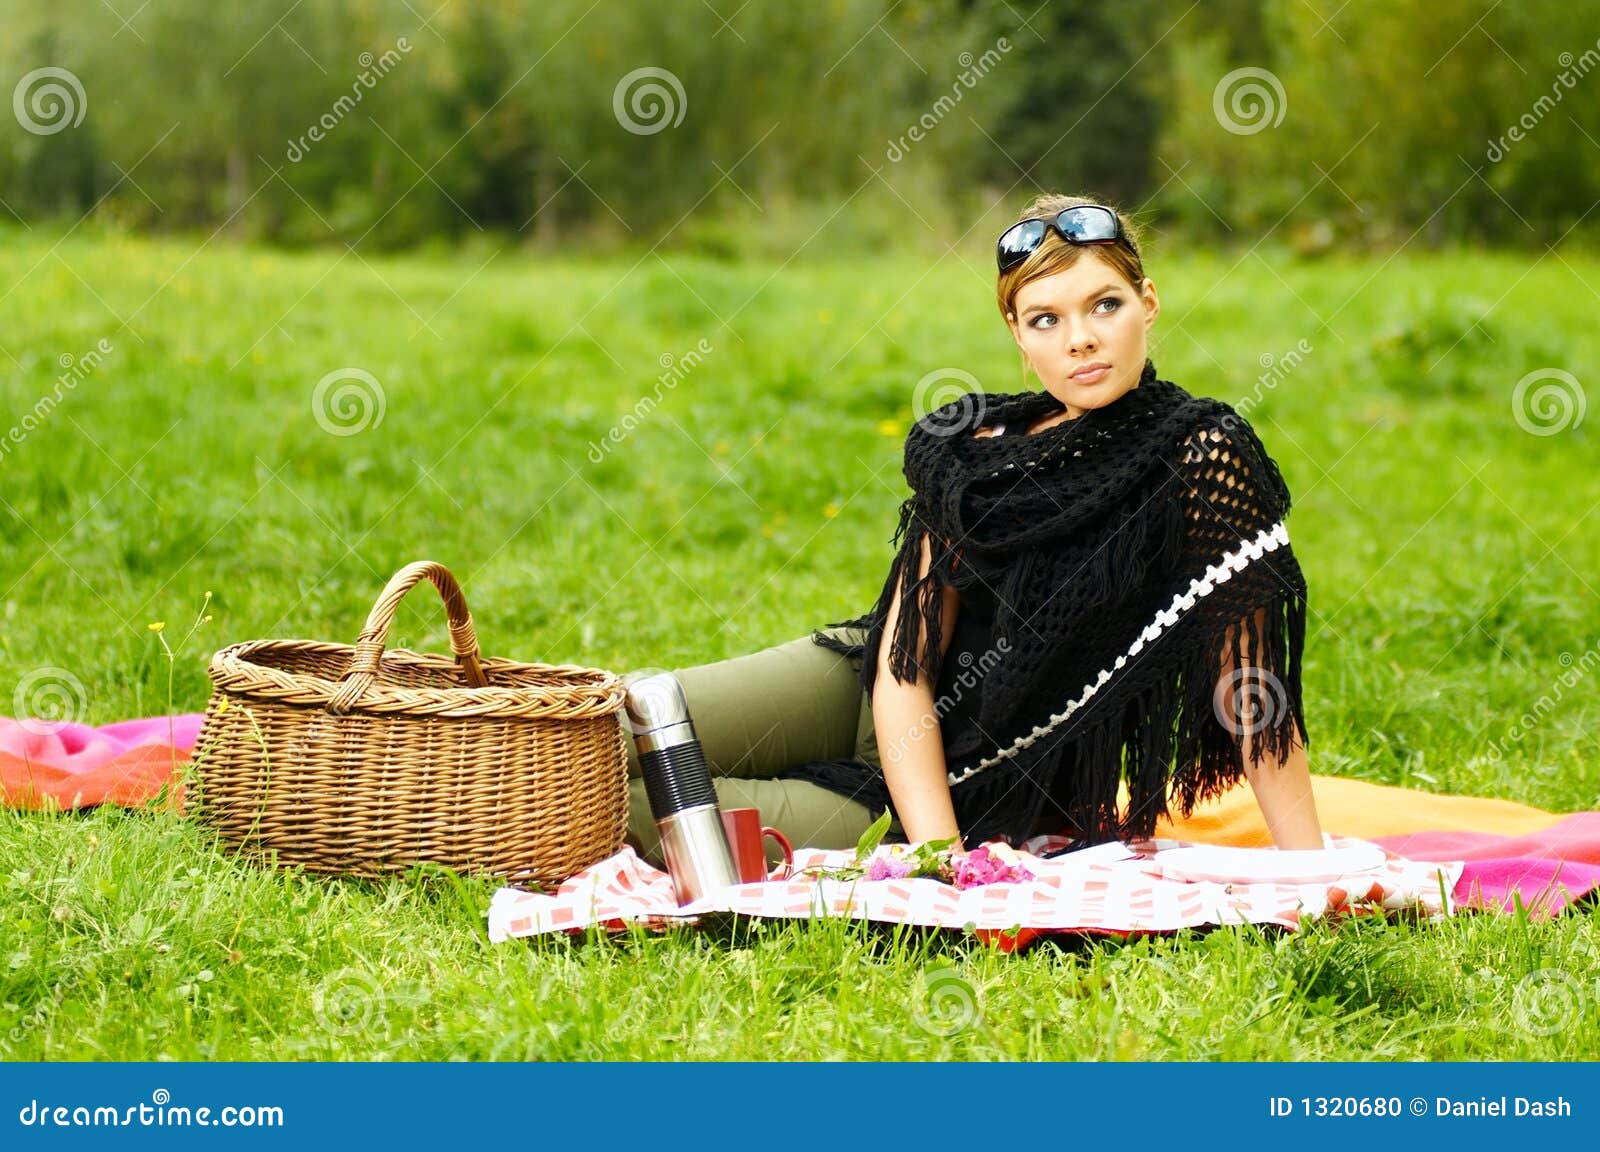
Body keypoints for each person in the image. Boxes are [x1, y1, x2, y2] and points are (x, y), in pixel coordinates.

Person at [621, 191, 1325, 871]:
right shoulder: (979, 450)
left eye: (1105, 305)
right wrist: (943, 859)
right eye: (1045, 319)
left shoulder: (1201, 455)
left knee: (621, 805)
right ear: (1018, 335)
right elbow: (904, 667)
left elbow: (1251, 685)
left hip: (965, 787)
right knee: (611, 730)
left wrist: (940, 855)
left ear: (1148, 303)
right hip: (866, 686)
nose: (1080, 339)